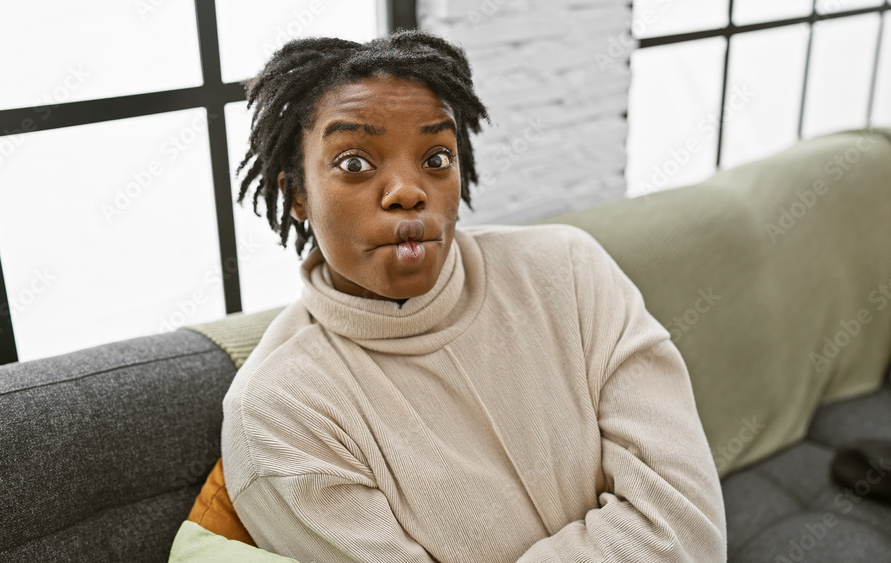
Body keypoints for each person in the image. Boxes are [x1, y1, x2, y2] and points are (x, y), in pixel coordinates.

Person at [221, 29, 727, 562]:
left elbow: (687, 532)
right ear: (295, 194)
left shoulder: (571, 272)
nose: (409, 191)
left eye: (436, 157)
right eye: (355, 163)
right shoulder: (277, 413)